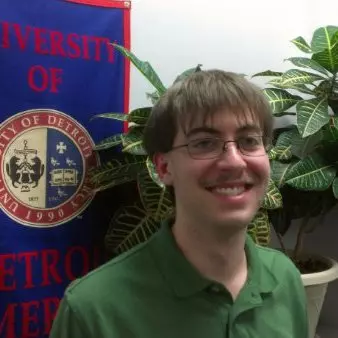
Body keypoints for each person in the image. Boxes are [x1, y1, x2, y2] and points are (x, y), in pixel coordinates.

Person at [50, 70, 308, 338]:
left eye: (249, 141)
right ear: (163, 167)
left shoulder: (285, 279)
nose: (233, 161)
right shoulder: (92, 310)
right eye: (205, 143)